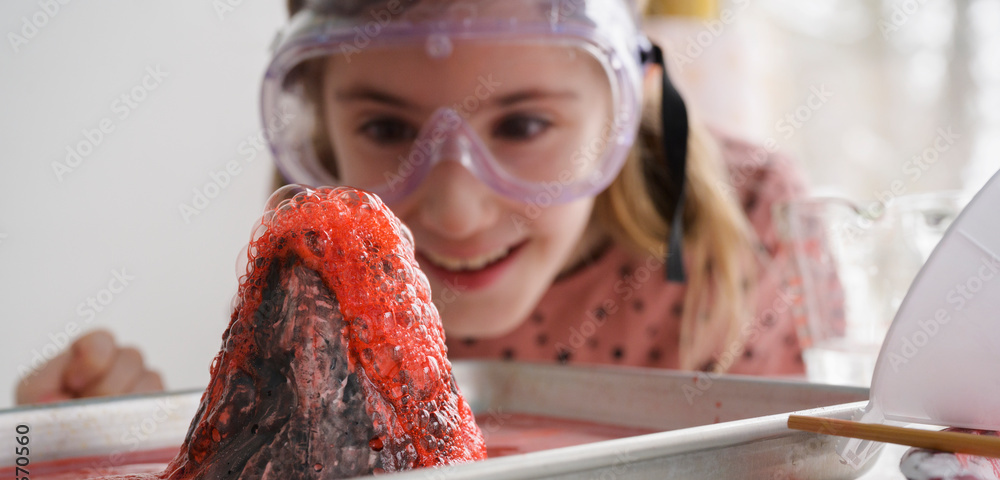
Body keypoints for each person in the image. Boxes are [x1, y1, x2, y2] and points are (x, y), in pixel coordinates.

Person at [15, 0, 813, 405]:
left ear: (627, 104)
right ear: (321, 130)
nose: (456, 212)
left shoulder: (747, 231)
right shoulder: (311, 274)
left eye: (526, 123)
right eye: (389, 127)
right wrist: (101, 464)